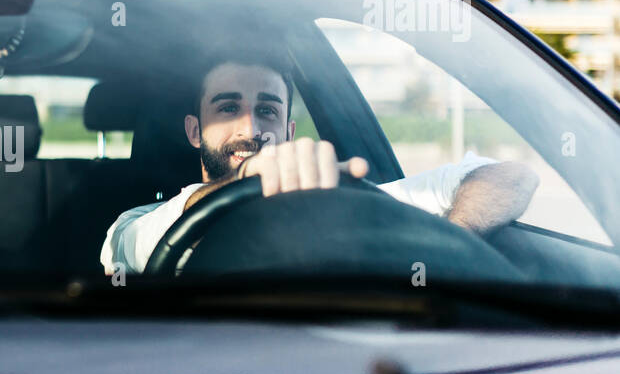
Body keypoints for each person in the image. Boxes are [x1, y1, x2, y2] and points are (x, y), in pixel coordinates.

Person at [100, 51, 539, 275]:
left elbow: (512, 177)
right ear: (195, 131)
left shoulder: (348, 199)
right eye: (229, 108)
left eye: (268, 110)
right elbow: (125, 244)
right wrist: (247, 182)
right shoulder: (142, 224)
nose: (251, 128)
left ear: (289, 133)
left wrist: (447, 246)